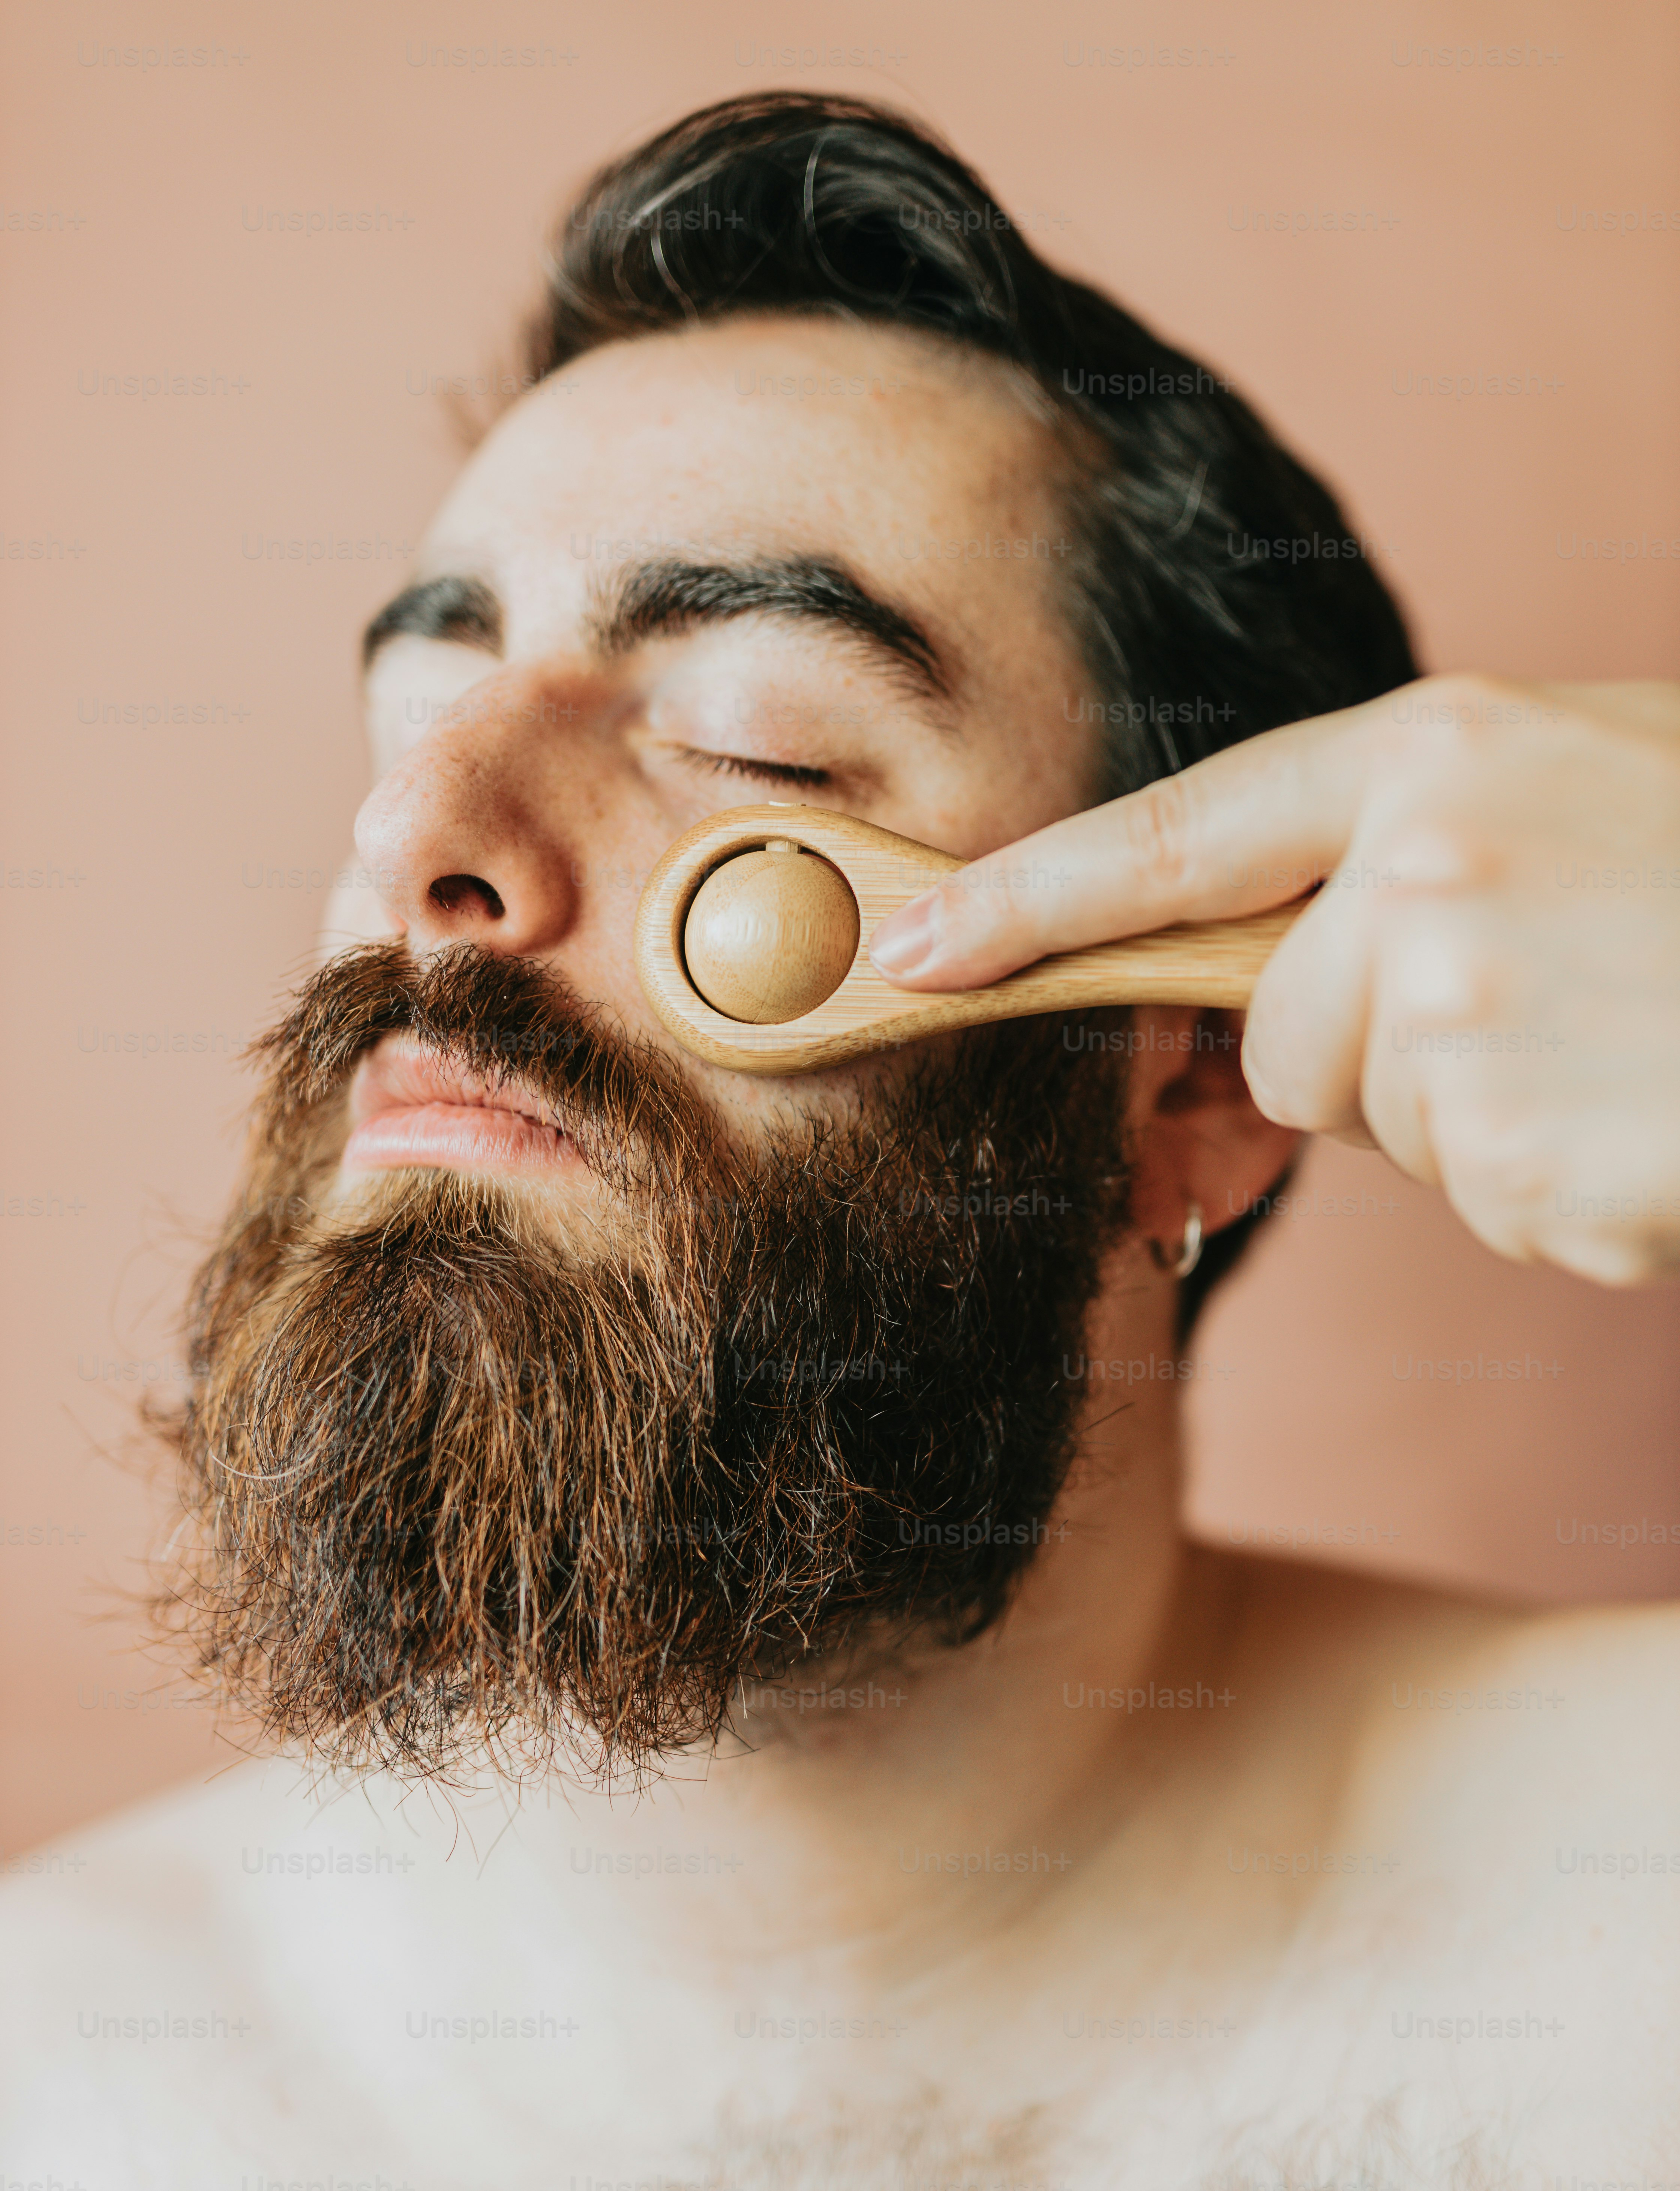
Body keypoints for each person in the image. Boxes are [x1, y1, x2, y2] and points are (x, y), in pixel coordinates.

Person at [4, 92, 1676, 2190]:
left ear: (1192, 1079)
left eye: (754, 743)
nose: (418, 842)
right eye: (416, 716)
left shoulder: (1637, 1956)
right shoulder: (66, 2075)